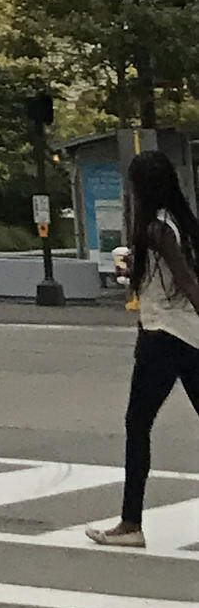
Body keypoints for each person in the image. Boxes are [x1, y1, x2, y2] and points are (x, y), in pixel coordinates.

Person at [89, 148, 199, 549]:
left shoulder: (156, 229)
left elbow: (187, 281)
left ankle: (131, 523)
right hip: (189, 335)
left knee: (138, 425)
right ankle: (130, 522)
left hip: (162, 336)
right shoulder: (181, 224)